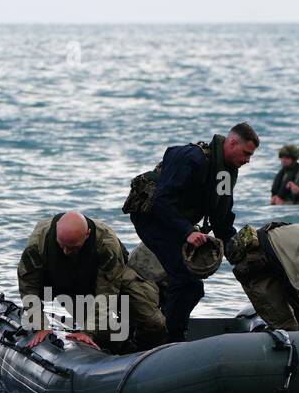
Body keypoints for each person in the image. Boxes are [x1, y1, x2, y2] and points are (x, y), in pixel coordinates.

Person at [123, 123, 259, 341]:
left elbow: (221, 217)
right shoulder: (191, 158)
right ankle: (168, 338)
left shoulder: (226, 172)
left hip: (176, 221)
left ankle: (162, 324)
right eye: (246, 153)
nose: (248, 160)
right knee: (188, 284)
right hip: (151, 217)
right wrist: (187, 232)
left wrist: (238, 253)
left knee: (185, 283)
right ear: (232, 143)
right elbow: (162, 202)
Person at [17, 211, 166, 354]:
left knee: (153, 321)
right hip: (66, 285)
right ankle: (119, 349)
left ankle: (145, 353)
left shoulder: (106, 243)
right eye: (61, 245)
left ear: (87, 235)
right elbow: (28, 286)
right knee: (108, 333)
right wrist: (40, 325)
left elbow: (107, 292)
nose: (66, 252)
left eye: (72, 247)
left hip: (109, 280)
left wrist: (88, 332)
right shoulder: (38, 243)